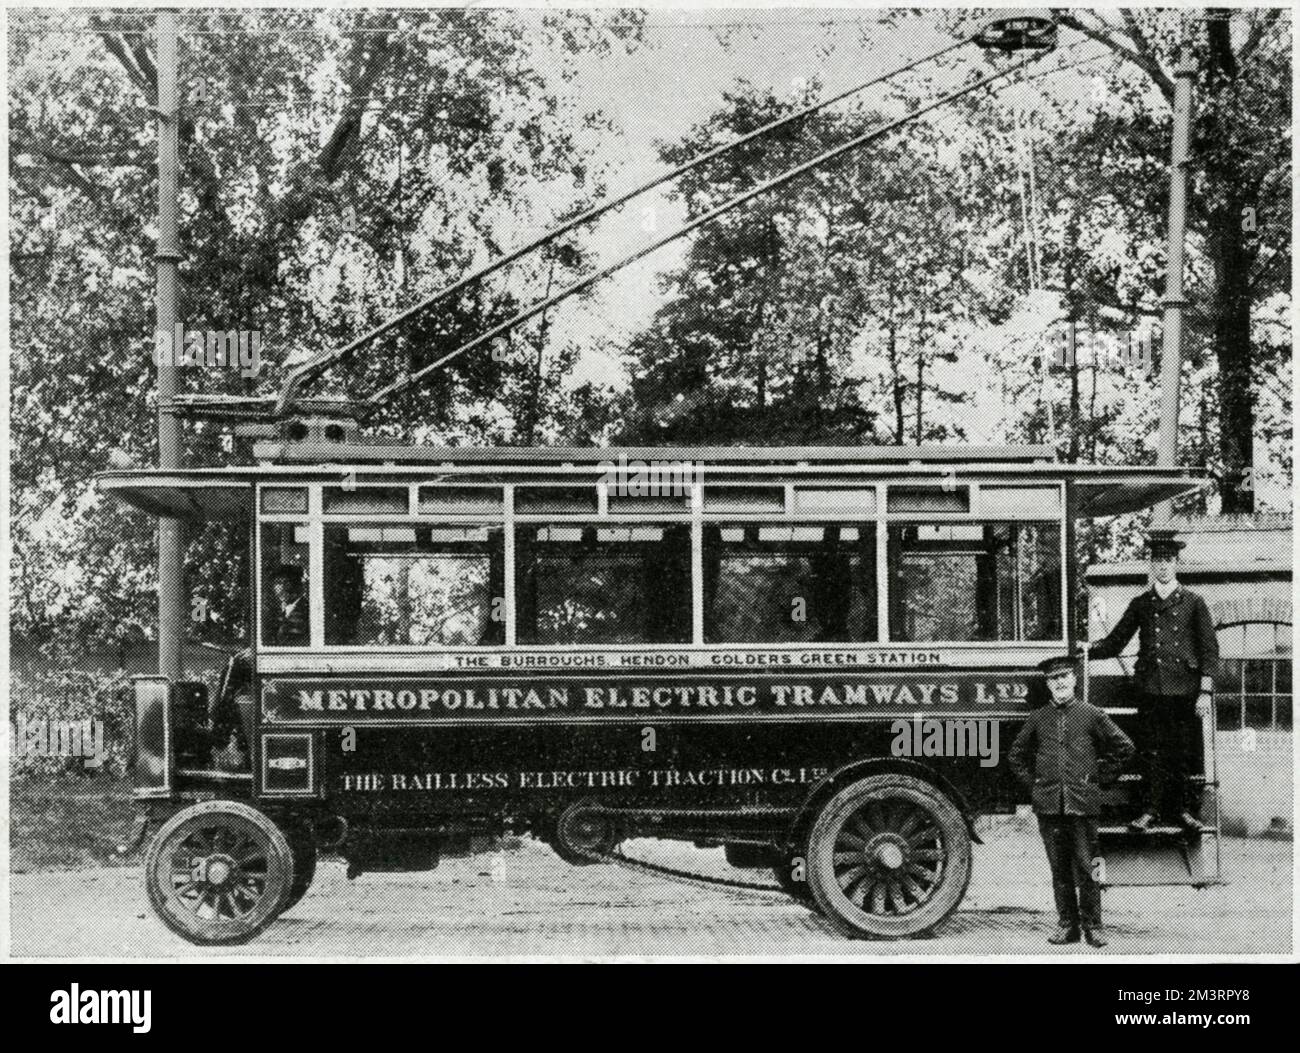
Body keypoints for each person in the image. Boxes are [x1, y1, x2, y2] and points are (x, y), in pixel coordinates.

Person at [1088, 529, 1218, 832]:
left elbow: (1210, 650)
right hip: (1149, 690)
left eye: (1168, 560)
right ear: (1151, 565)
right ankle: (1150, 811)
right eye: (1157, 560)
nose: (1162, 566)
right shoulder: (1141, 603)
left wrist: (1205, 691)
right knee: (1150, 751)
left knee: (1183, 751)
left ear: (1176, 564)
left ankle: (1184, 811)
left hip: (1185, 690)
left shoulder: (1194, 602)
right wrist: (1087, 650)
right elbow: (1115, 643)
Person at [1009, 652, 1135, 947]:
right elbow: (1016, 756)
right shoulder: (1038, 718)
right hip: (1050, 807)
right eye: (1053, 679)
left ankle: (1094, 926)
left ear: (1074, 679)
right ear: (1048, 684)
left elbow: (1125, 747)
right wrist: (1036, 785)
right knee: (1060, 870)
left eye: (1064, 677)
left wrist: (1100, 778)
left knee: (1090, 867)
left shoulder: (1092, 714)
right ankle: (1067, 925)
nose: (1059, 683)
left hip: (1083, 804)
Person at [269, 565, 309, 644]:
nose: (280, 587)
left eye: (285, 582)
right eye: (277, 583)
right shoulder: (280, 610)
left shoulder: (305, 609)